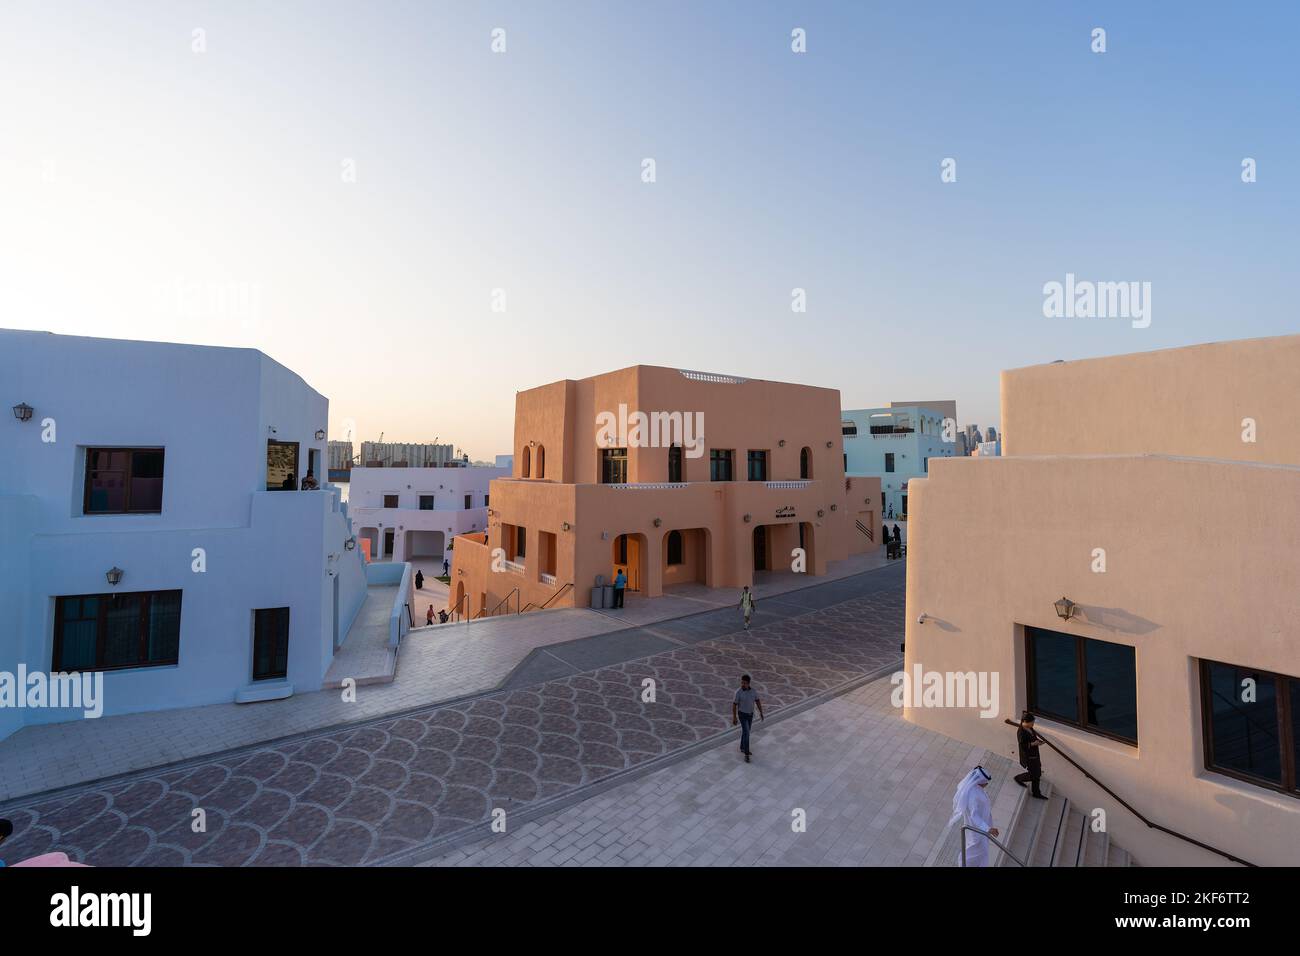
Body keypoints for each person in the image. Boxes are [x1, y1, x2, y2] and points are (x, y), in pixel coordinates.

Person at [950, 765, 998, 866]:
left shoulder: (976, 788)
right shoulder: (973, 795)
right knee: (974, 850)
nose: (987, 784)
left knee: (980, 851)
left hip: (981, 827)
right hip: (977, 829)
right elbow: (974, 816)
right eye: (985, 782)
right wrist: (987, 828)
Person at [731, 674, 764, 762]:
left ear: (749, 684)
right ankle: (746, 753)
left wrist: (761, 712)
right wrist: (734, 717)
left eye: (745, 683)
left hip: (750, 715)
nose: (742, 685)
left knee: (746, 732)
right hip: (742, 715)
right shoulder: (738, 692)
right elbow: (734, 705)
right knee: (747, 733)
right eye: (742, 682)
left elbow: (757, 701)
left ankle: (742, 747)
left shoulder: (753, 691)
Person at [1014, 711, 1047, 799]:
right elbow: (1022, 745)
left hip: (1035, 754)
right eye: (1032, 722)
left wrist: (1038, 742)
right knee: (1034, 774)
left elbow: (1033, 739)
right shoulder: (1021, 732)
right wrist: (1033, 744)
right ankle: (1019, 778)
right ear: (1025, 721)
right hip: (1029, 757)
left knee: (1037, 773)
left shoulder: (1030, 728)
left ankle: (1036, 792)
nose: (1033, 724)